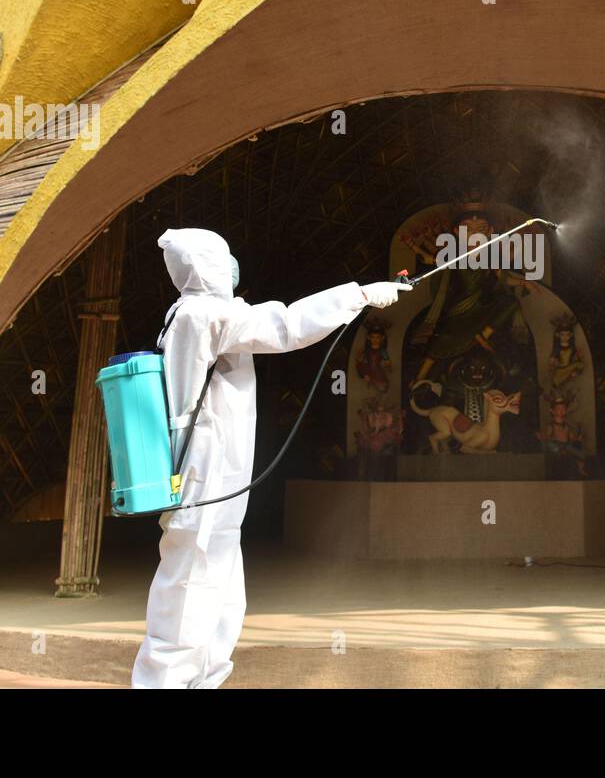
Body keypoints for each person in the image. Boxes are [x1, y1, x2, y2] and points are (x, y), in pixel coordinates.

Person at [131, 228, 410, 688]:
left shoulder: (200, 313)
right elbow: (284, 327)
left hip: (219, 471)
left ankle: (203, 680)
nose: (233, 265)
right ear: (209, 265)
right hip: (205, 469)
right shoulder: (201, 315)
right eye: (225, 257)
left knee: (221, 590)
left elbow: (251, 318)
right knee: (189, 584)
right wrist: (358, 295)